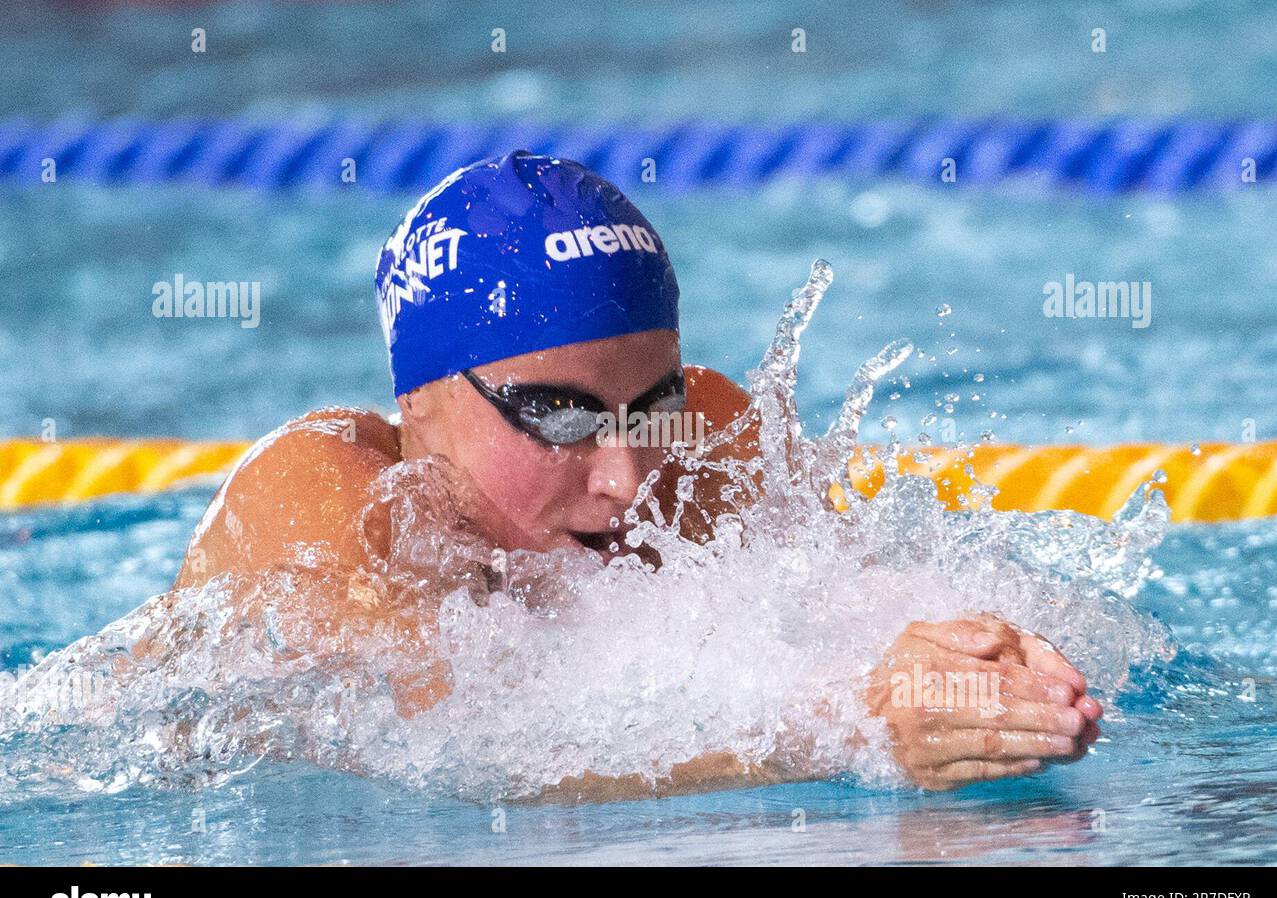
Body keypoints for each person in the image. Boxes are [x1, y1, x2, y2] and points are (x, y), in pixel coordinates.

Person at [171, 150, 1101, 796]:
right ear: (419, 399)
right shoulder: (320, 501)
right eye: (559, 416)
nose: (625, 476)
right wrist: (848, 722)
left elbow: (847, 596)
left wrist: (980, 653)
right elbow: (473, 748)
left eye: (652, 404)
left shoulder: (709, 436)